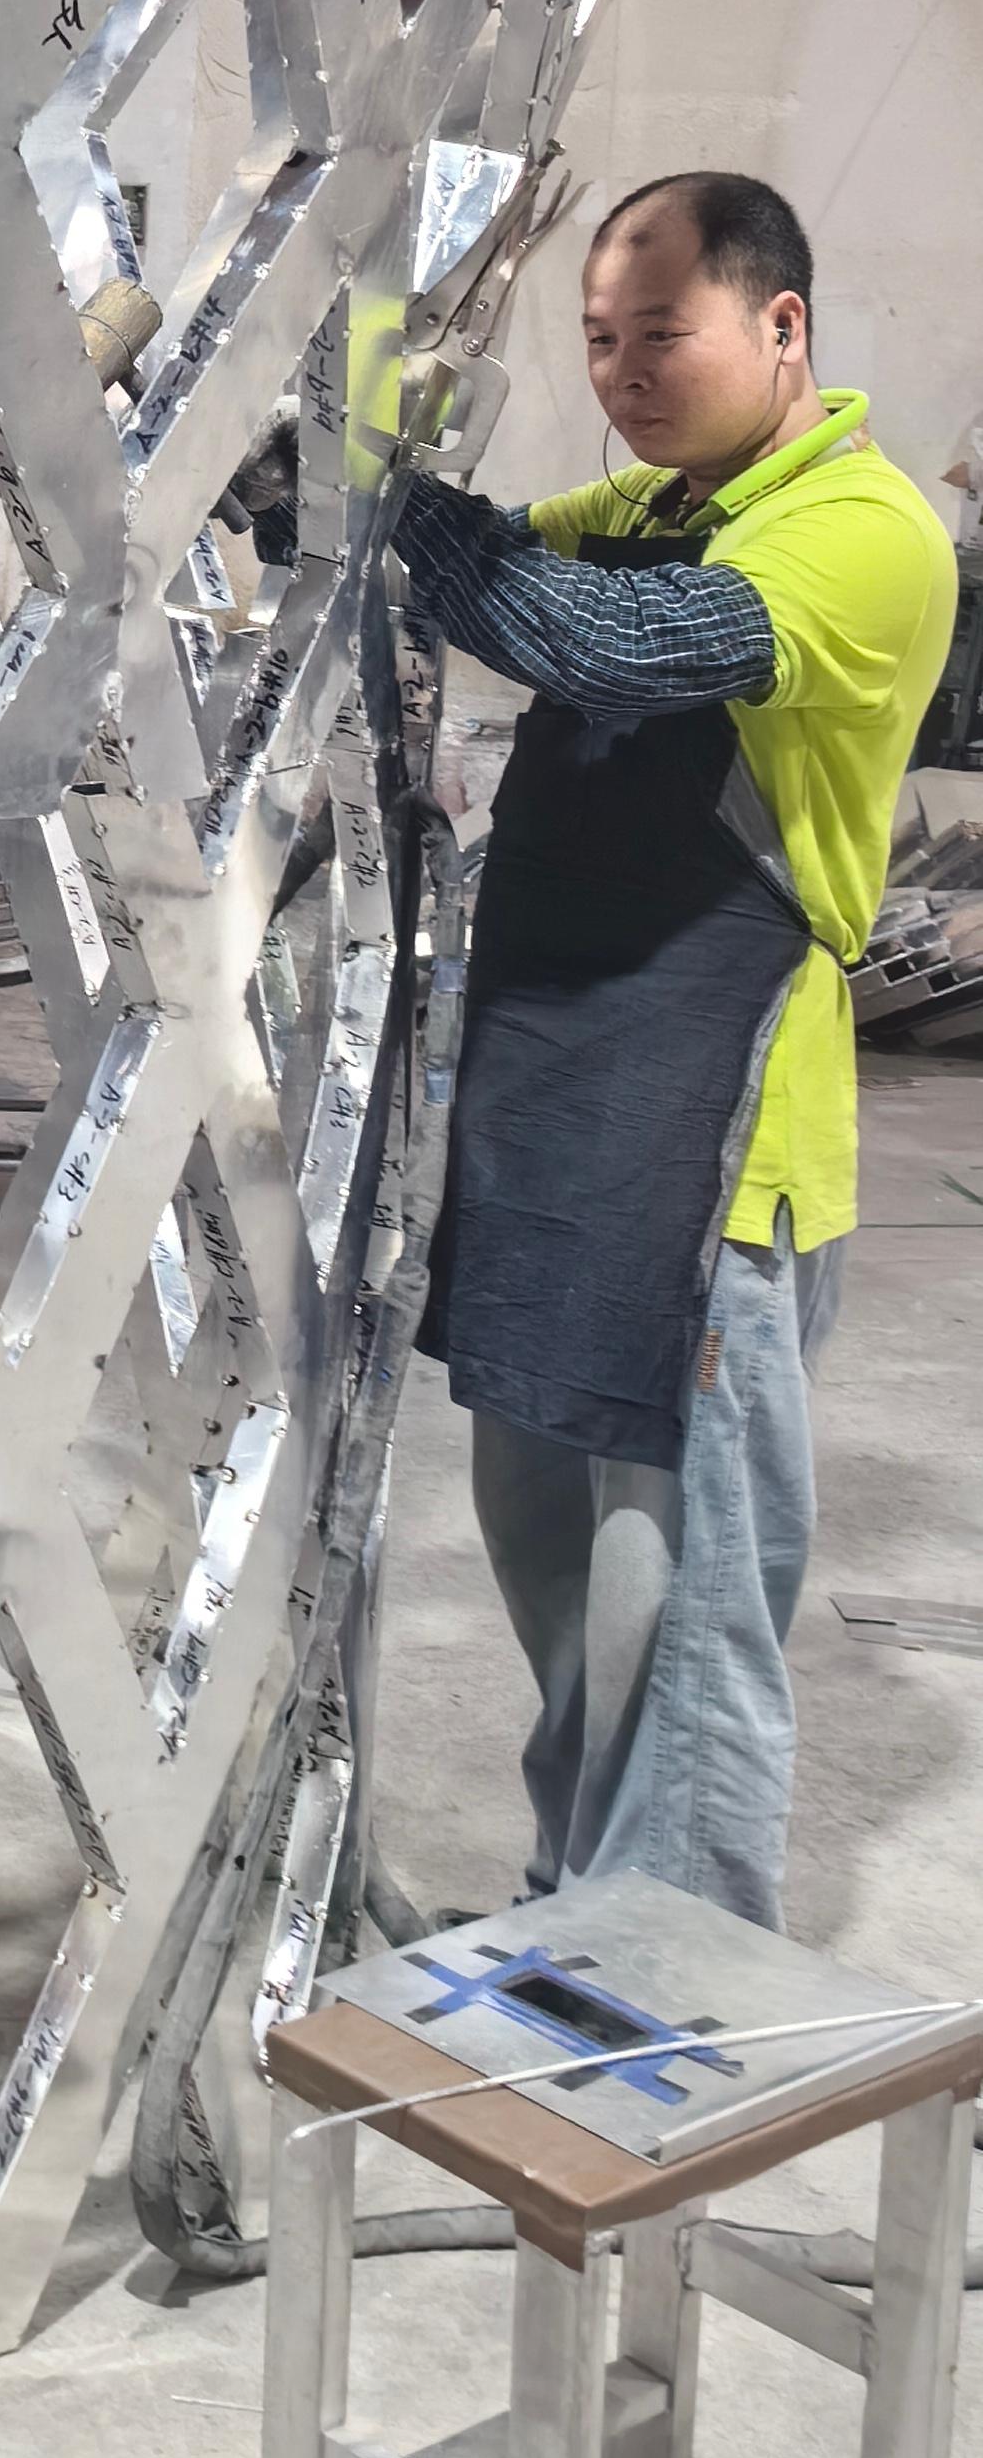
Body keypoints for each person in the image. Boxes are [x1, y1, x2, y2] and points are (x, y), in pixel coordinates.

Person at [392, 172, 955, 1927]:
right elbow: (486, 569)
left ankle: (669, 1974)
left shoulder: (863, 529)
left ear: (782, 325)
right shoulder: (647, 504)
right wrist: (296, 471)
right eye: (596, 340)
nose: (623, 373)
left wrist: (377, 496)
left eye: (661, 334)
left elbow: (609, 643)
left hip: (715, 1132)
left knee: (682, 1593)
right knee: (553, 1554)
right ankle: (578, 1908)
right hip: (562, 1108)